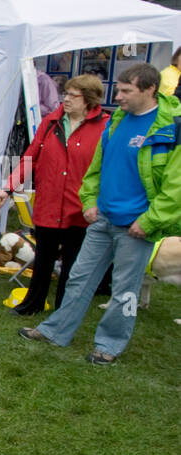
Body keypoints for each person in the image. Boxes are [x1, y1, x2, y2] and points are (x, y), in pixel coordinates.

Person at [20, 63, 181, 363]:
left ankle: (109, 345)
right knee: (78, 278)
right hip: (103, 218)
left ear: (149, 90)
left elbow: (176, 185)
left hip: (136, 225)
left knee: (125, 289)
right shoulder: (117, 121)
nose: (117, 96)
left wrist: (149, 221)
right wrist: (89, 201)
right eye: (118, 89)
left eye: (126, 91)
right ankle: (56, 330)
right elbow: (97, 167)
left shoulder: (171, 127)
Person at [0, 74, 109, 315]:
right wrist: (8, 186)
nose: (65, 99)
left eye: (72, 95)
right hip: (49, 203)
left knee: (72, 264)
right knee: (43, 259)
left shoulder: (105, 127)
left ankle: (64, 310)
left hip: (80, 208)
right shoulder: (51, 122)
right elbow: (30, 157)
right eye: (65, 94)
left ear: (88, 99)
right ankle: (32, 303)